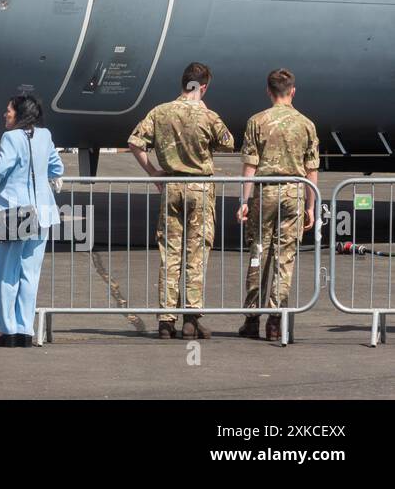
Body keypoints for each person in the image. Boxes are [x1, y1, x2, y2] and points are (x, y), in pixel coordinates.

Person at [128, 61, 236, 340]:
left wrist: (154, 172)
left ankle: (166, 320)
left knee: (170, 253)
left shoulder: (161, 112)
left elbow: (135, 142)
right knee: (196, 254)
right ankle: (191, 318)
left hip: (171, 185)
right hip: (199, 189)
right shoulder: (208, 116)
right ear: (203, 87)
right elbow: (228, 142)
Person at [236, 69, 320, 342]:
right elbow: (312, 170)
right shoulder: (306, 124)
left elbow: (250, 165)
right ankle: (276, 318)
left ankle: (251, 317)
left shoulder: (256, 122)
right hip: (294, 192)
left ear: (268, 92)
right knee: (285, 256)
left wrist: (244, 201)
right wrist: (311, 206)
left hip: (265, 192)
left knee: (259, 252)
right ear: (292, 91)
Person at [0, 95, 64, 348]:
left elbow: (0, 170)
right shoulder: (45, 135)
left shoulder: (10, 138)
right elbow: (57, 167)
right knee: (30, 273)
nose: (5, 114)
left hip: (15, 211)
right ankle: (25, 329)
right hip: (43, 211)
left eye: (8, 110)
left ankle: (7, 330)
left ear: (19, 113)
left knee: (6, 272)